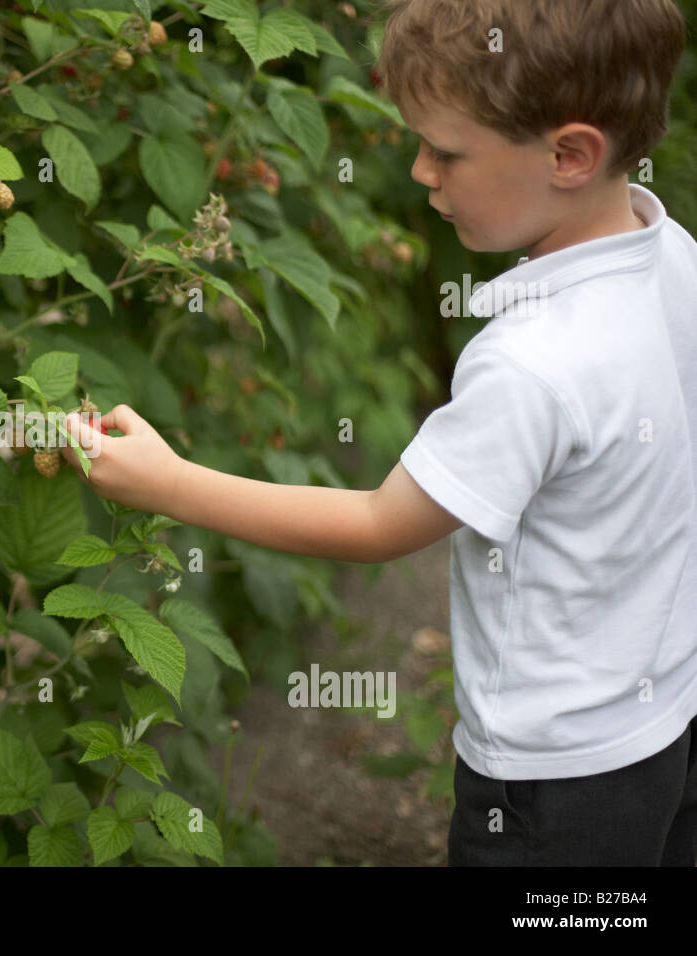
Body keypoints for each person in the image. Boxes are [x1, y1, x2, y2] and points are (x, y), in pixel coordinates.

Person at [61, 0, 697, 866]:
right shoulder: (674, 257)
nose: (421, 171)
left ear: (569, 154)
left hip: (552, 785)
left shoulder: (533, 363)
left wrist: (169, 483)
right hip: (662, 726)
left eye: (446, 150)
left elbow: (377, 526)